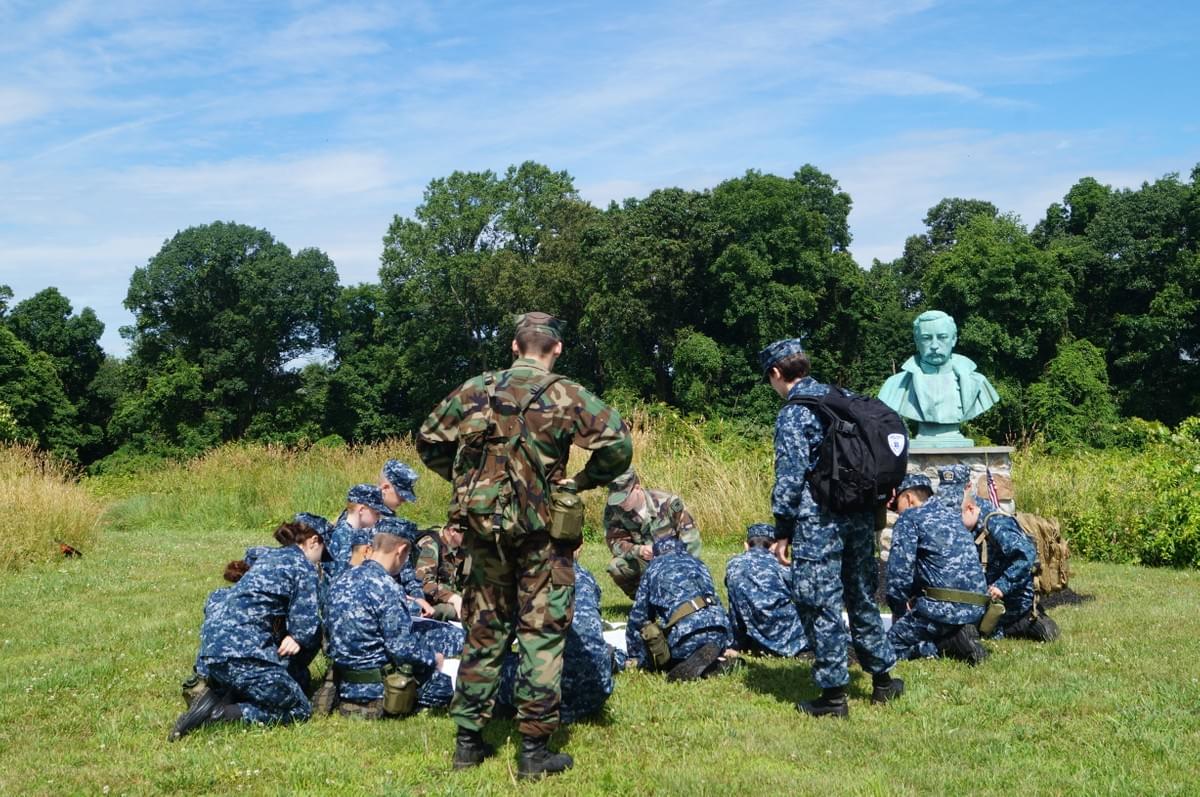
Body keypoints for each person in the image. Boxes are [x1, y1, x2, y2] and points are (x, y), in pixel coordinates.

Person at [417, 311, 632, 779]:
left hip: (485, 534)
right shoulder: (566, 393)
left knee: (483, 631)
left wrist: (467, 484)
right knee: (541, 635)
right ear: (555, 350)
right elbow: (618, 445)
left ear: (515, 347)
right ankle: (534, 751)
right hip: (542, 538)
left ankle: (468, 743)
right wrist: (578, 482)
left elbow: (429, 439)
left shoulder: (476, 388)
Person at [761, 337, 902, 718]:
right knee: (860, 595)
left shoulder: (795, 412)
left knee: (819, 602)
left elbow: (790, 476)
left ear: (776, 373)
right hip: (858, 513)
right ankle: (884, 680)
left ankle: (833, 696)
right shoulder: (842, 397)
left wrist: (782, 528)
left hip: (818, 519)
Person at [169, 521, 324, 740]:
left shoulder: (266, 561)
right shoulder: (302, 566)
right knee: (299, 708)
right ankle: (221, 714)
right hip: (247, 656)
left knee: (275, 679)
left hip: (213, 657)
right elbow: (307, 625)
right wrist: (300, 637)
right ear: (314, 542)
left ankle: (217, 697)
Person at [325, 529, 449, 719]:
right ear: (400, 551)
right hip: (380, 689)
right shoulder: (388, 587)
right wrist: (434, 658)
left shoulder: (340, 580)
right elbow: (401, 648)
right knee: (456, 684)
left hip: (346, 684)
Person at [497, 558, 626, 723]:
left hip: (550, 693)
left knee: (484, 667)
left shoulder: (528, 577)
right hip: (596, 689)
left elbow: (500, 639)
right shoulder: (585, 575)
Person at [940, 466, 1060, 642]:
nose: (951, 502)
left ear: (967, 488)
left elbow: (1026, 554)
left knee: (981, 632)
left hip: (1007, 597)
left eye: (956, 495)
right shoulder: (951, 515)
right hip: (978, 593)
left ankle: (1026, 621)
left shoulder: (994, 521)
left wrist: (1002, 586)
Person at [886, 474, 989, 664]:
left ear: (909, 498)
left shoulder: (910, 518)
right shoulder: (953, 515)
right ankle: (957, 632)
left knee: (886, 648)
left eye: (896, 506)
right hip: (978, 607)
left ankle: (947, 644)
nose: (896, 513)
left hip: (943, 610)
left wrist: (899, 611)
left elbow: (898, 576)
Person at [878, 310, 1000, 444]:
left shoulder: (978, 383)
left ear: (953, 339)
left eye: (942, 337)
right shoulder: (895, 385)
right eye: (926, 338)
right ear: (917, 342)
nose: (934, 346)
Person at [625, 535, 737, 679]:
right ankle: (717, 661)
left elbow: (639, 617)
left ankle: (688, 659)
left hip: (685, 636)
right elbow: (716, 602)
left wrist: (637, 657)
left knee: (665, 648)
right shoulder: (699, 564)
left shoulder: (653, 569)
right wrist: (728, 642)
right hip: (719, 631)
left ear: (656, 554)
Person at [603, 468, 702, 598]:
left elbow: (691, 539)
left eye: (624, 498)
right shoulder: (613, 510)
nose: (621, 503)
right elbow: (615, 542)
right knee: (616, 566)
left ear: (637, 488)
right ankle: (644, 601)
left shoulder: (667, 503)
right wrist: (639, 550)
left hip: (672, 562)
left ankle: (678, 596)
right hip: (643, 562)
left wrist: (686, 569)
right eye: (616, 498)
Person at [725, 523, 808, 657]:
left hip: (751, 638)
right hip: (789, 637)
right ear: (774, 546)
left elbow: (734, 607)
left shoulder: (732, 565)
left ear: (746, 545)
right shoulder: (780, 567)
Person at [326, 485, 393, 582]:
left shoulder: (358, 532)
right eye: (376, 513)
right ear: (361, 510)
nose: (379, 518)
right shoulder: (344, 535)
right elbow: (340, 577)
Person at [412, 523, 466, 621]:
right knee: (452, 611)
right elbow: (424, 584)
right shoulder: (430, 544)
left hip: (447, 597)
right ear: (453, 531)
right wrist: (454, 598)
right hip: (425, 604)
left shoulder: (461, 549)